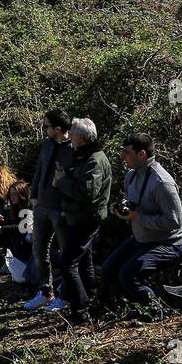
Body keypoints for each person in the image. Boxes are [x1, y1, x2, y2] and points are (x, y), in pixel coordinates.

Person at [99, 133, 182, 304]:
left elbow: (174, 222)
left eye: (127, 153)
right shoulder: (132, 175)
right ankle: (128, 305)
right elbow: (133, 202)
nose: (123, 156)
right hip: (142, 239)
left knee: (128, 275)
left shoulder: (162, 183)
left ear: (142, 155)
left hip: (168, 243)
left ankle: (155, 309)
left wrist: (138, 218)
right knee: (108, 270)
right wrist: (120, 208)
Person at [47, 117, 112, 318]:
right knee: (84, 260)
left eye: (73, 133)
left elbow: (87, 192)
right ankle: (90, 299)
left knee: (67, 263)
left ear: (82, 137)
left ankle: (81, 309)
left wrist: (62, 182)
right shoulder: (84, 156)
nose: (70, 136)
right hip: (79, 217)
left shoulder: (94, 160)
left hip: (87, 218)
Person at [23, 110, 73, 310]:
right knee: (38, 251)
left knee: (66, 254)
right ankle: (45, 292)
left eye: (47, 126)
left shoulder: (73, 149)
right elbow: (39, 169)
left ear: (58, 129)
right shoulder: (46, 144)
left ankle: (67, 294)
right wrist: (33, 194)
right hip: (41, 205)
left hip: (59, 209)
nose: (45, 130)